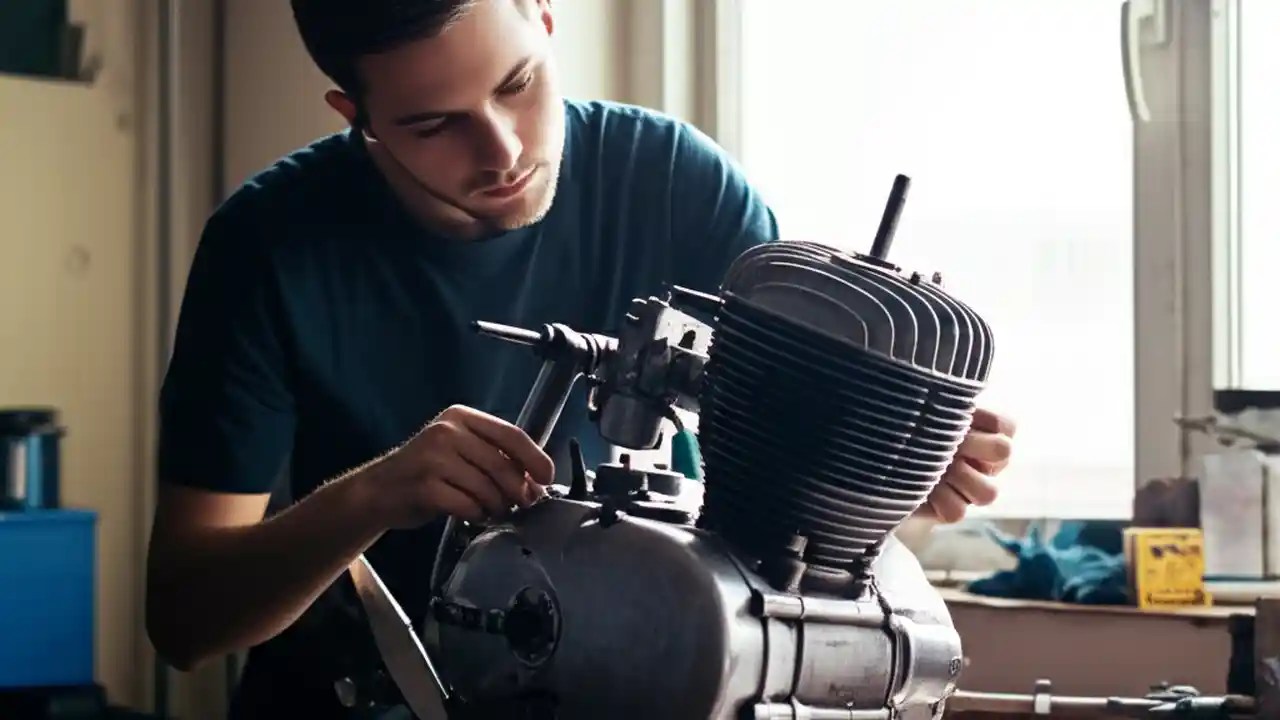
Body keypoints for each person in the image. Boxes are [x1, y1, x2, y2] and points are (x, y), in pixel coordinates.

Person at [144, 0, 1018, 718]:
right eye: (433, 126)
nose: (504, 151)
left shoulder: (682, 187)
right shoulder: (264, 248)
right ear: (356, 117)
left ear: (544, 16)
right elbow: (184, 619)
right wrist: (376, 495)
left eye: (518, 85)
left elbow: (790, 539)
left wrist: (899, 479)